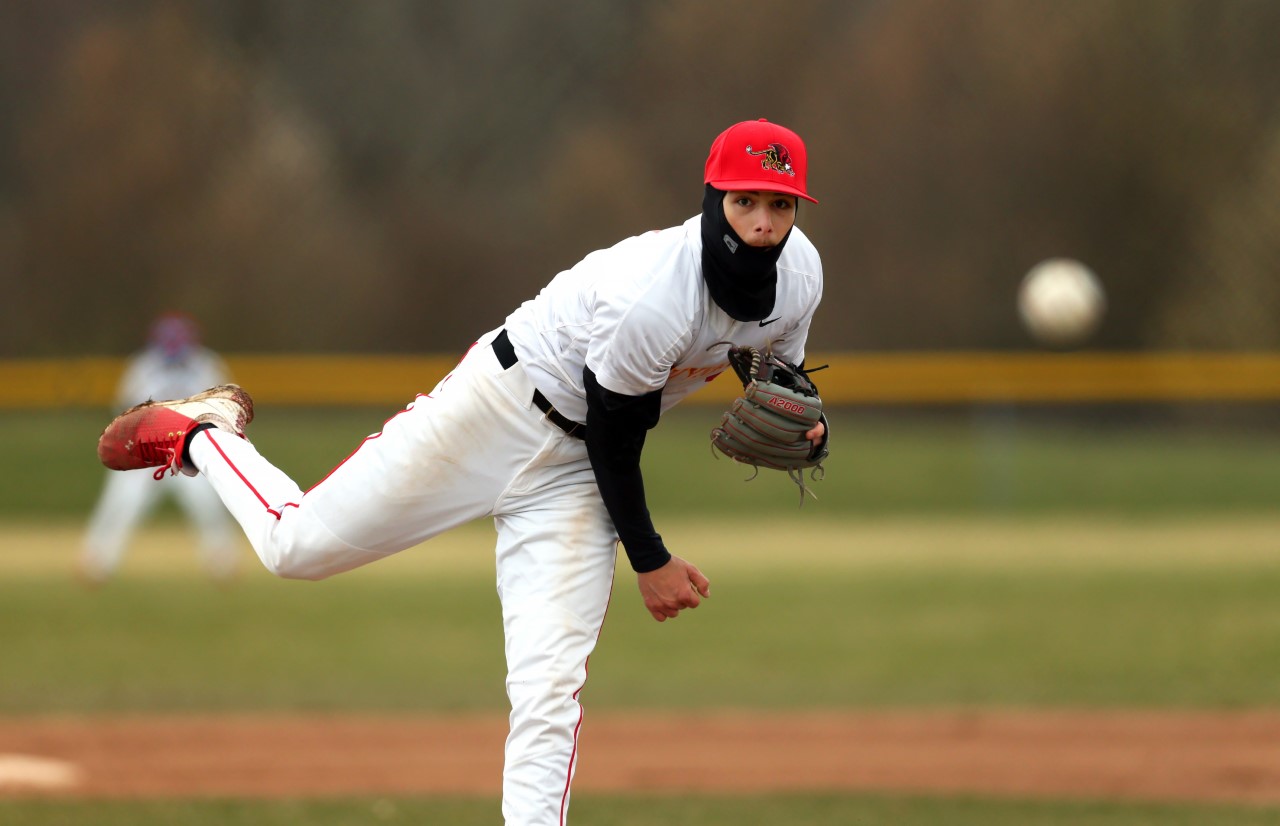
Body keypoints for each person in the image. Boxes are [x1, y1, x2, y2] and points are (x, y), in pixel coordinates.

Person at [95, 118, 827, 824]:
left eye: (779, 204)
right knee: (295, 548)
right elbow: (616, 435)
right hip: (498, 410)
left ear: (796, 208)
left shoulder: (800, 277)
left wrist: (811, 430)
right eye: (744, 200)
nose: (762, 221)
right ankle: (204, 433)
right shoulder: (654, 294)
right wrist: (650, 558)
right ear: (712, 200)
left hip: (573, 475)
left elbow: (771, 374)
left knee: (548, 689)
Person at [81, 312, 241, 584]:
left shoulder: (206, 365)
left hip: (191, 450)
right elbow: (124, 410)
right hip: (145, 451)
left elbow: (224, 408)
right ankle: (97, 562)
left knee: (208, 504)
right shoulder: (143, 367)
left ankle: (223, 563)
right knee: (120, 504)